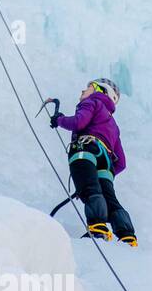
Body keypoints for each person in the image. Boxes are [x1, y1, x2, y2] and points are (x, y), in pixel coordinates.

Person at [48, 78, 136, 245]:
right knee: (110, 198)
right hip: (106, 162)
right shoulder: (113, 124)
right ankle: (127, 236)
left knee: (90, 189)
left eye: (89, 87)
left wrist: (59, 119)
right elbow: (121, 163)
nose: (83, 91)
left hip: (86, 149)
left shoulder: (92, 102)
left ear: (100, 91)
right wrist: (103, 174)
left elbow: (78, 122)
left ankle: (98, 228)